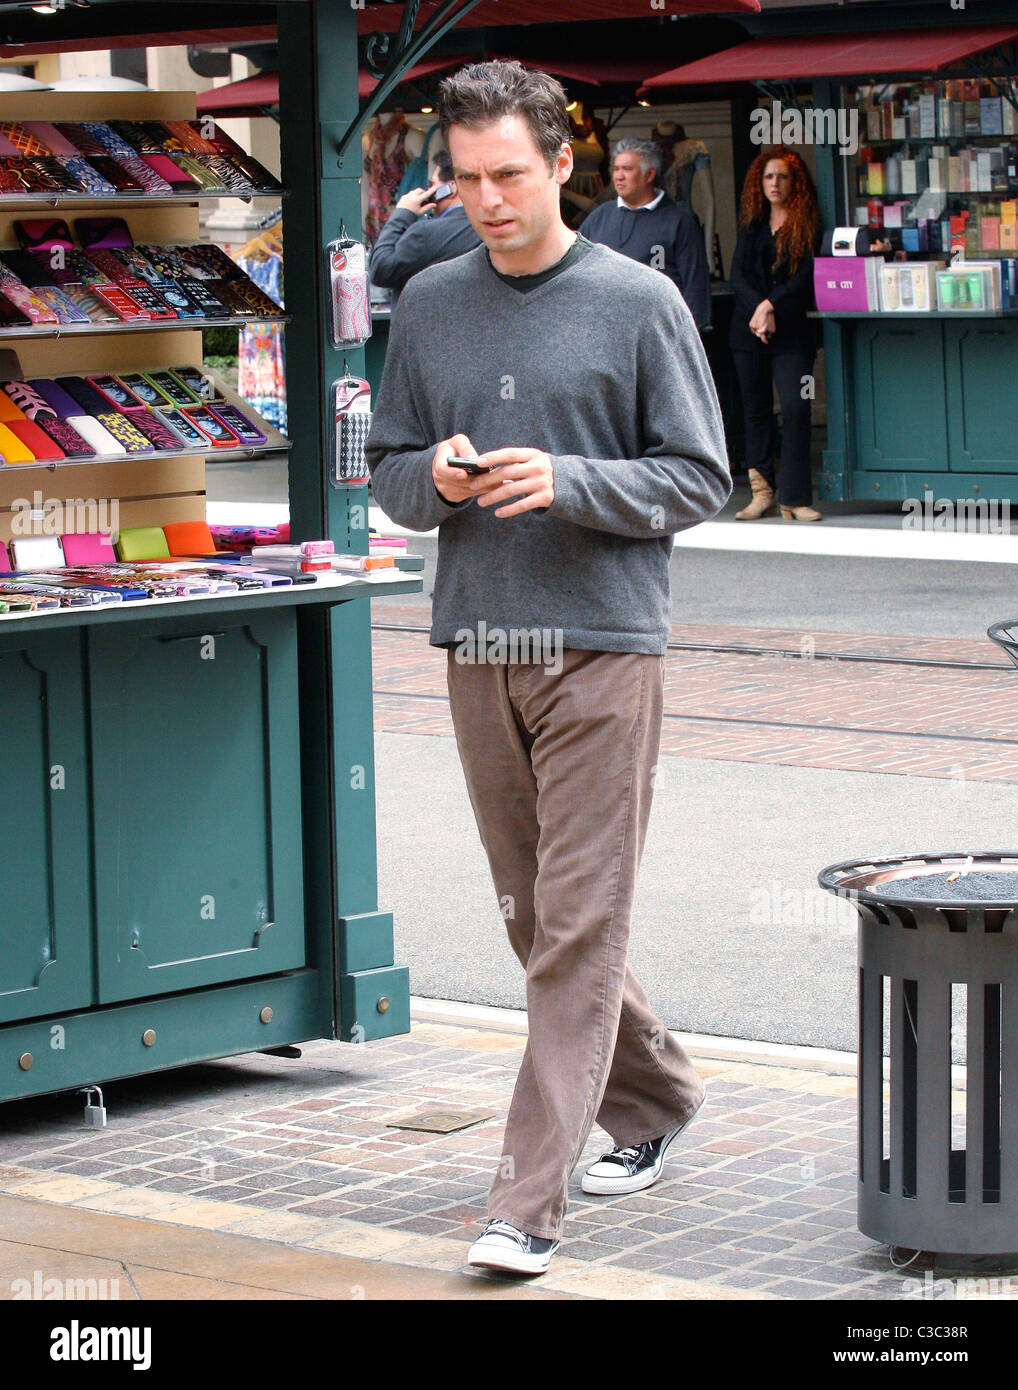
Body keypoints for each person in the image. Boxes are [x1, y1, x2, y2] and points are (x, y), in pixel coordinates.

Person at [366, 59, 731, 1277]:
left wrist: (568, 481)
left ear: (563, 163)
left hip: (604, 646)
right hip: (479, 640)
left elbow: (698, 476)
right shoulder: (427, 303)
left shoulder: (640, 301)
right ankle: (659, 1091)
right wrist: (445, 478)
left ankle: (526, 1200)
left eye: (508, 175)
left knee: (575, 924)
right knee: (537, 920)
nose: (485, 200)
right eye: (462, 179)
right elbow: (391, 476)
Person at [729, 145, 822, 522]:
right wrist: (757, 308)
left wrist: (770, 305)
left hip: (793, 334)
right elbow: (737, 276)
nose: (774, 183)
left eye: (782, 176)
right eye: (768, 176)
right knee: (755, 412)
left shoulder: (808, 225)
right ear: (759, 182)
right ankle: (761, 492)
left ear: (794, 182)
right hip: (747, 331)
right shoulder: (751, 225)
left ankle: (795, 497)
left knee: (798, 407)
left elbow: (805, 277)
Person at [580, 138, 711, 332]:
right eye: (616, 169)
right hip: (602, 336)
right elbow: (574, 271)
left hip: (658, 336)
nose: (619, 176)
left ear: (649, 174)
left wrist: (692, 336)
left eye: (627, 169)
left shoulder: (679, 222)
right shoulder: (599, 217)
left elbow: (696, 287)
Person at [368, 149, 481, 309]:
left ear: (451, 188)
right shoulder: (488, 229)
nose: (430, 191)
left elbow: (381, 269)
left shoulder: (424, 234)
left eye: (434, 185)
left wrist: (402, 213)